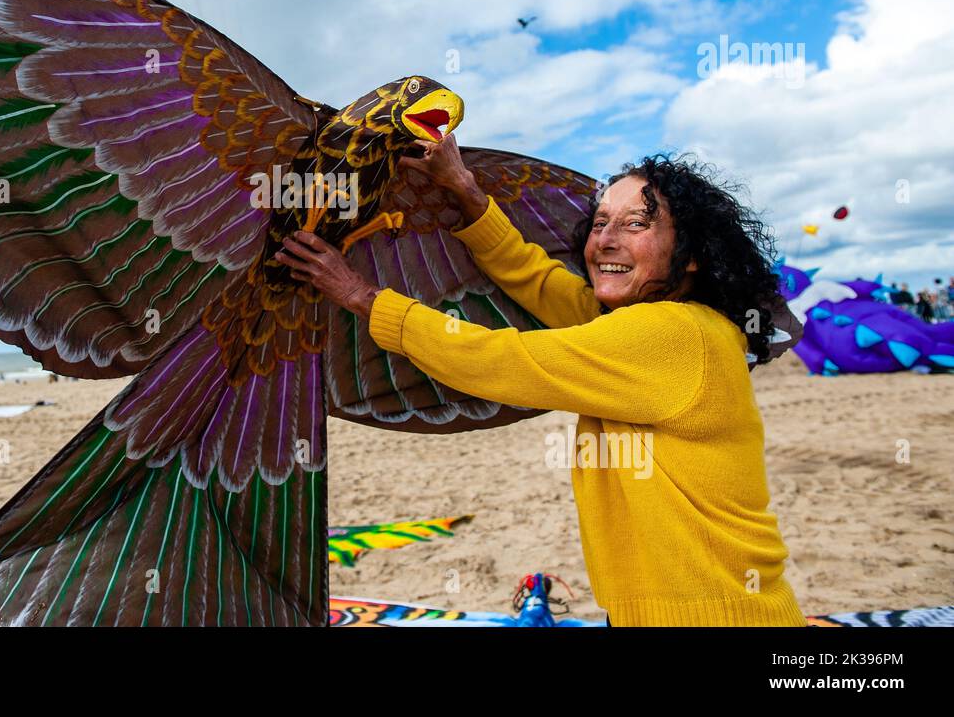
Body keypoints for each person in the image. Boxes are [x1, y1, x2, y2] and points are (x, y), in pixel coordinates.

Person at [276, 140, 806, 627]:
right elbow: (536, 277)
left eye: (636, 224)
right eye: (600, 223)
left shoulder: (671, 334)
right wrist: (462, 188)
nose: (606, 241)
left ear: (691, 253)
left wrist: (361, 296)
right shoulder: (666, 324)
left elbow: (498, 358)